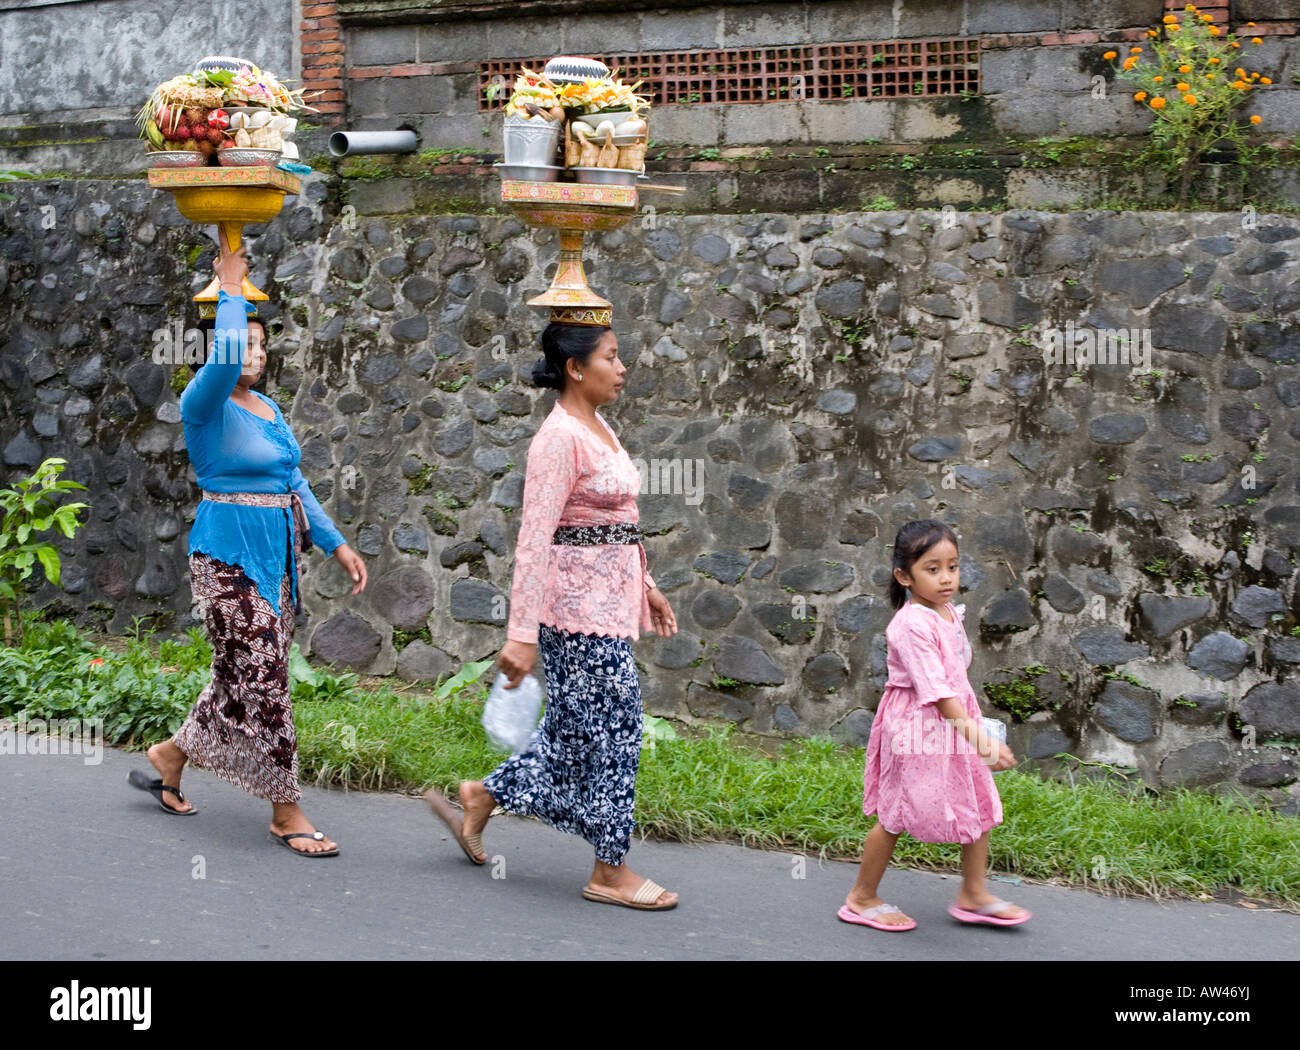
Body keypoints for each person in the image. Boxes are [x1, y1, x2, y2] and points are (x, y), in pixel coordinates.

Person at [425, 322, 681, 909]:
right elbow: (535, 540)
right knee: (618, 731)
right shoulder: (558, 438)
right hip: (572, 612)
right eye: (611, 358)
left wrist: (647, 585)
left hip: (607, 605)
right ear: (574, 367)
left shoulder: (599, 426)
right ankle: (609, 871)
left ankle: (482, 797)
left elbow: (612, 522)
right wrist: (521, 635)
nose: (621, 369)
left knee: (572, 732)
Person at [128, 235, 368, 857]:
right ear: (220, 352)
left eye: (263, 344)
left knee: (241, 673)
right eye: (246, 344)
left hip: (277, 559)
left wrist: (335, 541)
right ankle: (286, 810)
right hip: (225, 560)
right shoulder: (203, 402)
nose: (255, 353)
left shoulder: (266, 407)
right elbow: (227, 348)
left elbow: (293, 479)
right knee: (264, 676)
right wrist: (230, 285)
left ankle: (168, 756)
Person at [839, 519, 1030, 930]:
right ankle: (861, 896)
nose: (946, 578)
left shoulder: (945, 612)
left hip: (954, 722)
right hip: (916, 727)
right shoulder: (910, 626)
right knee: (897, 811)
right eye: (933, 568)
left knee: (977, 800)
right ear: (904, 576)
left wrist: (973, 729)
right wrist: (980, 740)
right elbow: (937, 693)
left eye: (953, 566)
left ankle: (973, 892)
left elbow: (954, 680)